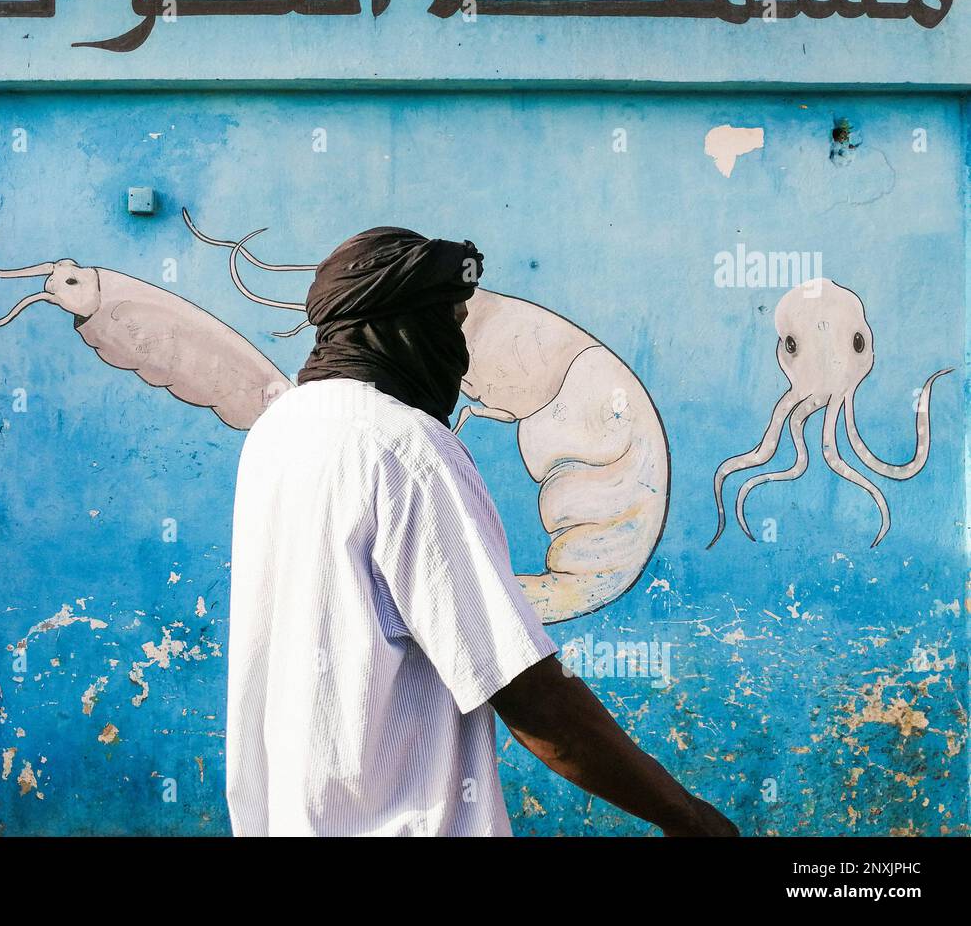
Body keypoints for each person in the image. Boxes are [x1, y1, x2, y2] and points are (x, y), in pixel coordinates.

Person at [225, 226, 738, 837]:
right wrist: (688, 817)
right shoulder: (408, 450)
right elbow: (530, 694)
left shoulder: (280, 429)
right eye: (452, 321)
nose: (462, 352)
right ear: (406, 327)